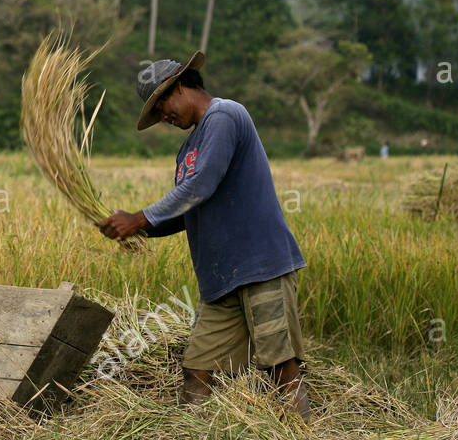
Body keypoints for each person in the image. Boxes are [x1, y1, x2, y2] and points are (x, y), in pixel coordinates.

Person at [97, 53, 311, 421]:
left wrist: (139, 217)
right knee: (197, 368)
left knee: (280, 367)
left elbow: (201, 185)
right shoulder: (189, 149)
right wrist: (138, 228)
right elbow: (189, 209)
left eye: (162, 105)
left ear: (179, 86)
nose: (164, 116)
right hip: (221, 281)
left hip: (261, 267)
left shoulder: (225, 115)